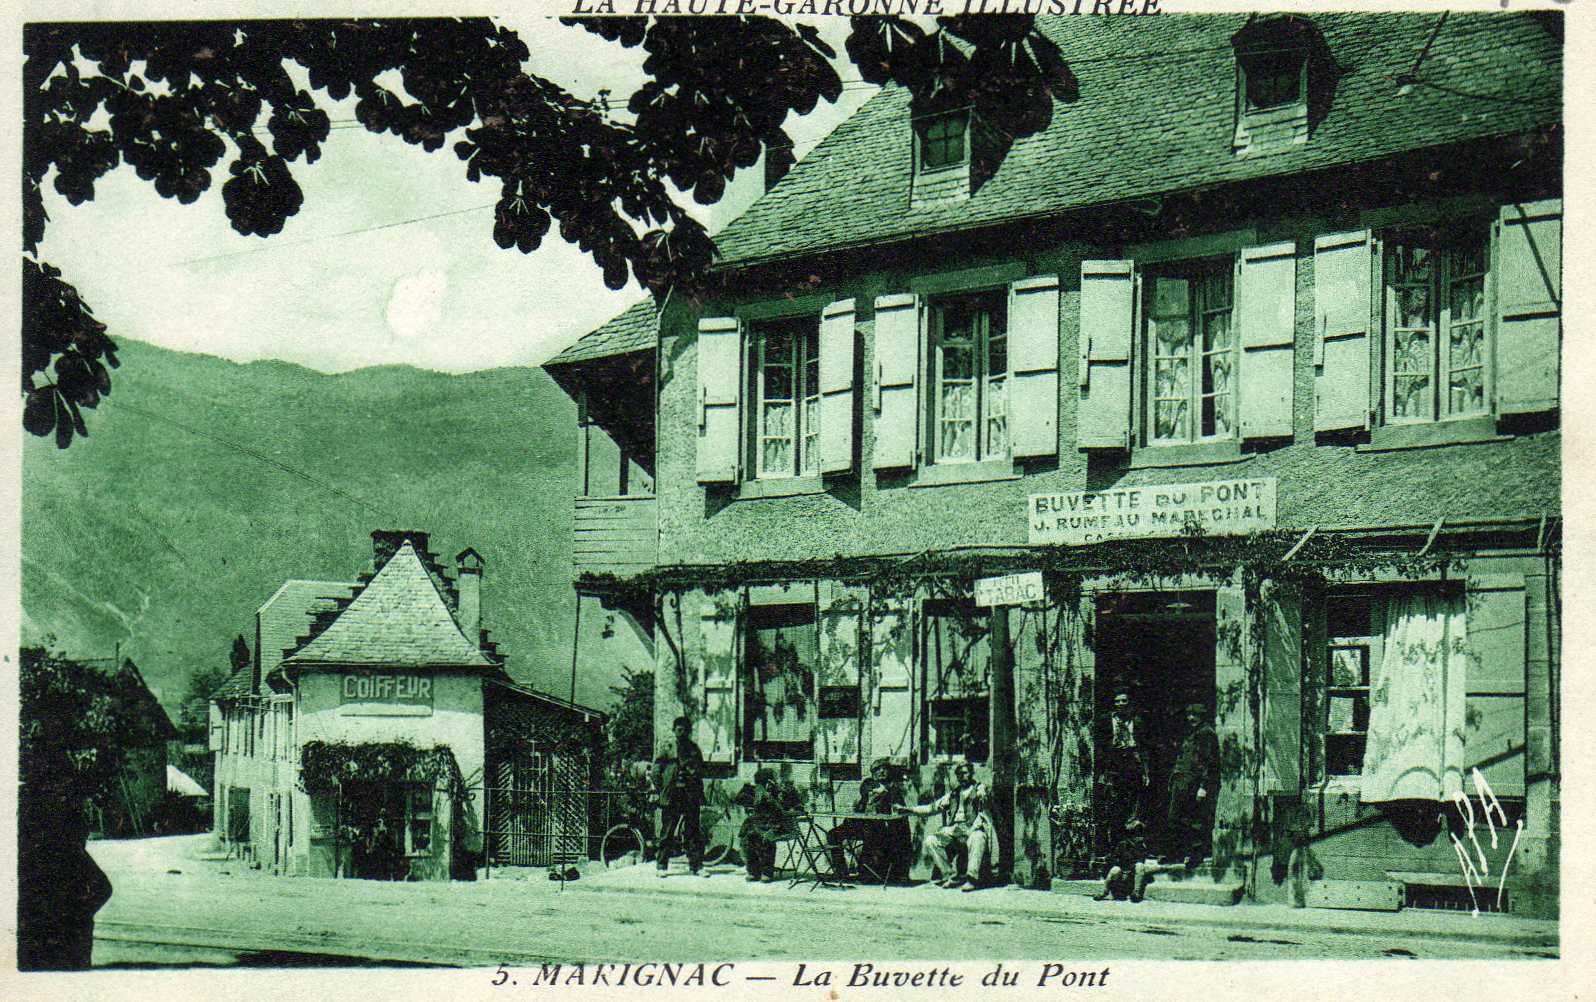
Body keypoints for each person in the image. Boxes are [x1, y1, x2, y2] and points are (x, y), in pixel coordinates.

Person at [899, 760, 997, 892]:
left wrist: (970, 829)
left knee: (978, 837)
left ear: (972, 773)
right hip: (954, 829)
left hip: (973, 828)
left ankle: (972, 878)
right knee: (931, 841)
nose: (962, 777)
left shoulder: (980, 789)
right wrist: (909, 810)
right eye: (959, 774)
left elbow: (983, 814)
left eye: (965, 773)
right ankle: (951, 875)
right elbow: (932, 808)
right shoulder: (953, 794)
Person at [826, 757, 910, 882]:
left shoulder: (895, 788)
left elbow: (898, 813)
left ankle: (869, 872)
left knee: (873, 840)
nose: (881, 772)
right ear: (873, 772)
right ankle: (841, 873)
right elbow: (865, 790)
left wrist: (886, 791)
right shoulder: (868, 783)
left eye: (884, 769)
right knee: (833, 834)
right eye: (877, 769)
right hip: (859, 826)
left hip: (880, 829)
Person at [652, 715, 708, 878]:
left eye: (686, 730)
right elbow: (656, 770)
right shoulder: (667, 747)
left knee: (692, 831)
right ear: (674, 730)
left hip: (690, 794)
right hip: (672, 795)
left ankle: (696, 866)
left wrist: (699, 792)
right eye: (679, 730)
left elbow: (700, 771)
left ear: (689, 732)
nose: (682, 733)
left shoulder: (694, 749)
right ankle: (661, 865)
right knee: (668, 830)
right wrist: (662, 788)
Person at [1165, 702, 1220, 867]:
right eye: (1189, 715)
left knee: (1195, 820)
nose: (1191, 718)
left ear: (1202, 716)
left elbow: (1209, 762)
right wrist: (1173, 780)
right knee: (1175, 818)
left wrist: (1203, 786)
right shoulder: (1190, 733)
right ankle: (1176, 853)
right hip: (1181, 782)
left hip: (1195, 784)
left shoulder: (1206, 733)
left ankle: (1196, 855)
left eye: (1195, 715)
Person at [734, 767, 804, 882]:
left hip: (780, 825)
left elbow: (796, 807)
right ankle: (753, 871)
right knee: (750, 837)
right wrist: (746, 787)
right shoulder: (758, 791)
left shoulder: (782, 791)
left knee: (766, 838)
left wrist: (779, 799)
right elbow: (739, 800)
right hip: (760, 824)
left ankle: (767, 872)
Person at [1100, 688, 1149, 844]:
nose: (1120, 704)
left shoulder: (1137, 721)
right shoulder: (1107, 720)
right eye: (1117, 701)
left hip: (1133, 765)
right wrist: (1103, 771)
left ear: (1130, 703)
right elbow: (1100, 746)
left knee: (1134, 804)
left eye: (1124, 701)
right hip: (1114, 765)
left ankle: (1133, 844)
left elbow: (1143, 748)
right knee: (1114, 804)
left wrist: (1145, 772)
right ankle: (1115, 844)